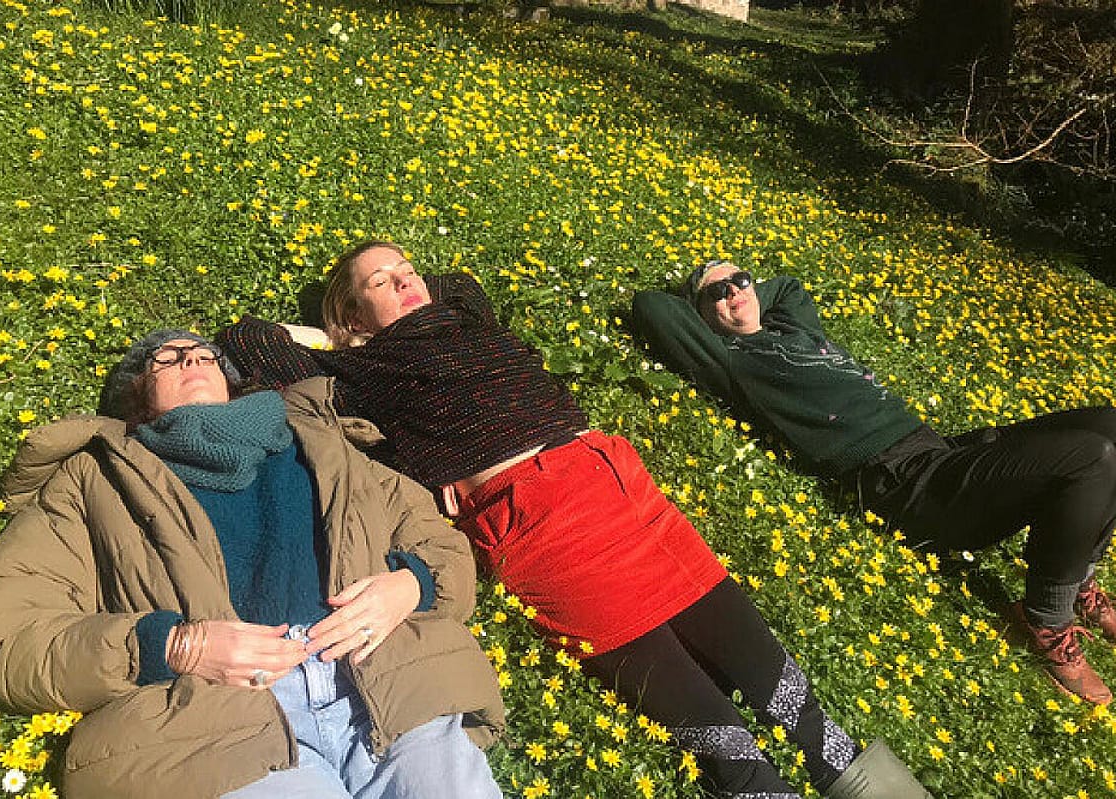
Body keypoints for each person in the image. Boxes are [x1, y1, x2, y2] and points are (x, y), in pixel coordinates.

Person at [217, 240, 934, 799]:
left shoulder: (463, 314)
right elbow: (249, 341)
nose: (407, 279)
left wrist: (398, 293)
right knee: (715, 732)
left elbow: (460, 283)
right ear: (349, 316)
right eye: (381, 280)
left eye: (407, 268)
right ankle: (756, 785)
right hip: (532, 512)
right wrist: (328, 337)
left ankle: (840, 760)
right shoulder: (362, 372)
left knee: (757, 654)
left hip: (608, 475)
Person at [0, 329, 504, 799]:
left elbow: (438, 541)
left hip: (390, 686)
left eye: (203, 355)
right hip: (217, 726)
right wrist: (174, 646)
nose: (191, 363)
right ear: (136, 394)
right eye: (167, 359)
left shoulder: (320, 442)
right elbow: (10, 635)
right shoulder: (95, 479)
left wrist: (409, 586)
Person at [631, 261, 1116, 706]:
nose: (735, 292)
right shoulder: (734, 363)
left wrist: (742, 296)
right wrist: (716, 310)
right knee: (1090, 460)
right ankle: (1045, 618)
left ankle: (1075, 576)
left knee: (1109, 425)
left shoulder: (796, 330)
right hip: (906, 485)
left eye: (742, 280)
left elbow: (790, 288)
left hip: (938, 451)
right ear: (701, 313)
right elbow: (651, 306)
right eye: (718, 291)